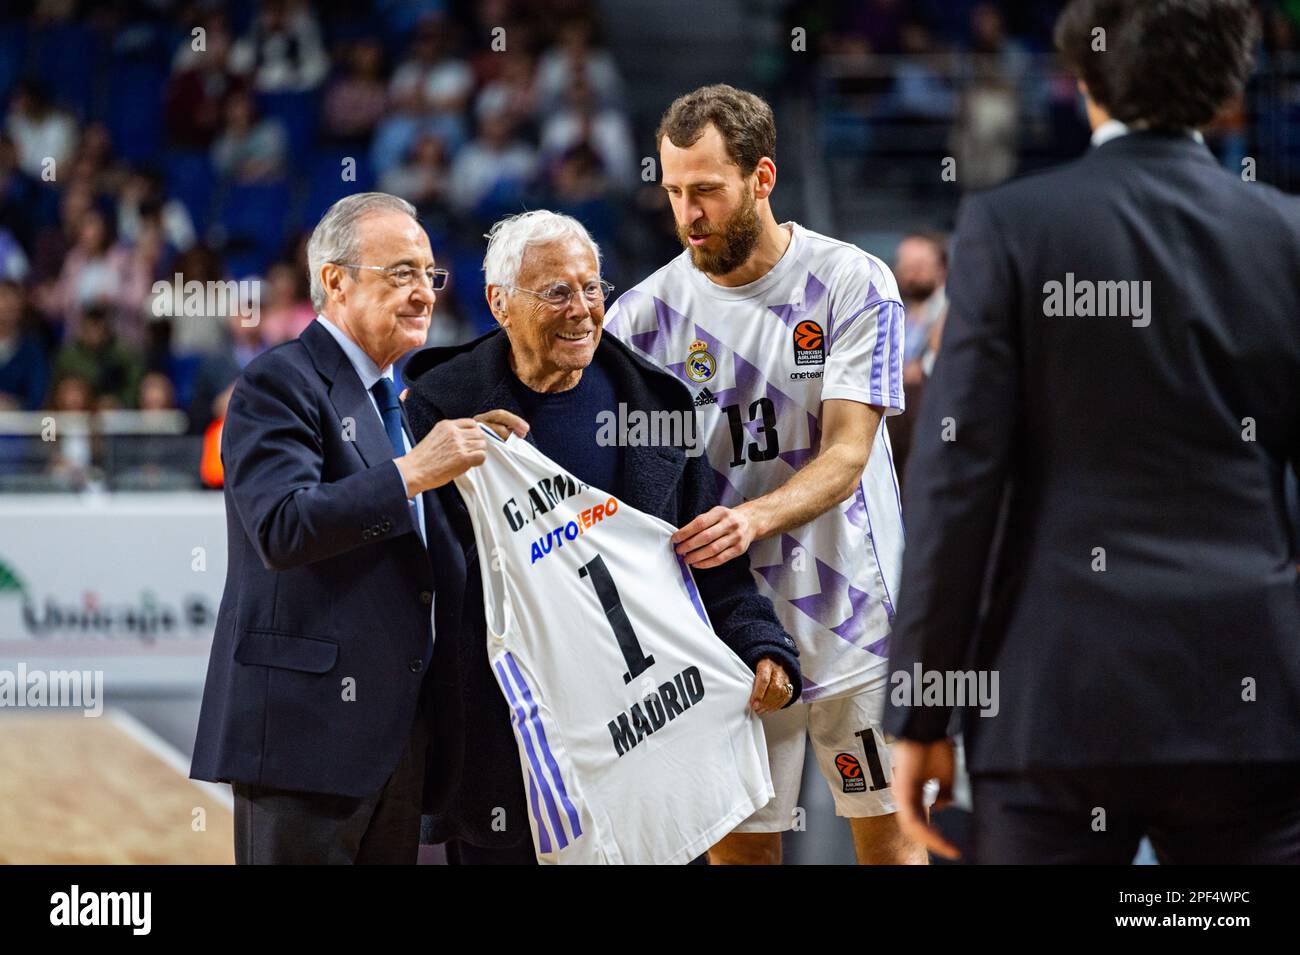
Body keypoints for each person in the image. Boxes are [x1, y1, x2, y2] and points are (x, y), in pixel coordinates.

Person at [886, 0, 1300, 864]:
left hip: (1056, 701)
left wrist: (921, 709)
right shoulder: (1285, 235)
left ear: (1085, 85)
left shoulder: (1010, 227)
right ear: (1228, 96)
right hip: (1253, 702)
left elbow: (958, 484)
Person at [401, 209, 801, 864]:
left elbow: (707, 560)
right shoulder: (439, 411)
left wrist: (762, 642)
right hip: (510, 760)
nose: (582, 309)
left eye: (592, 288)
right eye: (557, 291)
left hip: (649, 750)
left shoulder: (655, 409)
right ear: (501, 303)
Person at [605, 85, 925, 864]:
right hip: (727, 626)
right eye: (675, 191)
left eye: (707, 189)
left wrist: (750, 517)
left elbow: (848, 453)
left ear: (763, 177)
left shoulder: (854, 282)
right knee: (742, 855)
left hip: (855, 616)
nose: (689, 214)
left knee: (889, 843)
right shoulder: (640, 320)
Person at [189, 192, 524, 864]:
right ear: (336, 280)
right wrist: (413, 471)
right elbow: (283, 526)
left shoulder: (403, 406)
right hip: (302, 740)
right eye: (399, 272)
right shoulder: (275, 383)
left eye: (429, 274)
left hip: (398, 738)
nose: (423, 292)